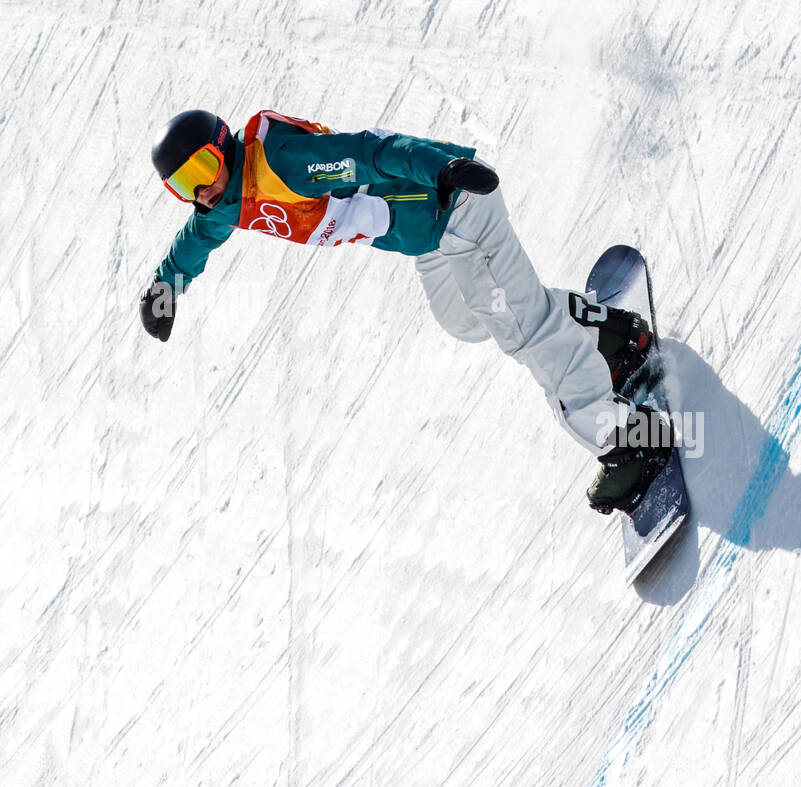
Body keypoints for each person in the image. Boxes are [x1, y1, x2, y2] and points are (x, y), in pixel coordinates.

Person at [140, 108, 670, 514]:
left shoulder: (282, 163)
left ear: (223, 147)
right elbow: (197, 238)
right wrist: (165, 288)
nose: (201, 190)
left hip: (454, 204)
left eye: (203, 168)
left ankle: (631, 440)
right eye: (183, 185)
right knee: (463, 320)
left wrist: (442, 167)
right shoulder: (229, 201)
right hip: (427, 239)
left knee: (522, 331)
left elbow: (372, 152)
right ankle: (605, 334)